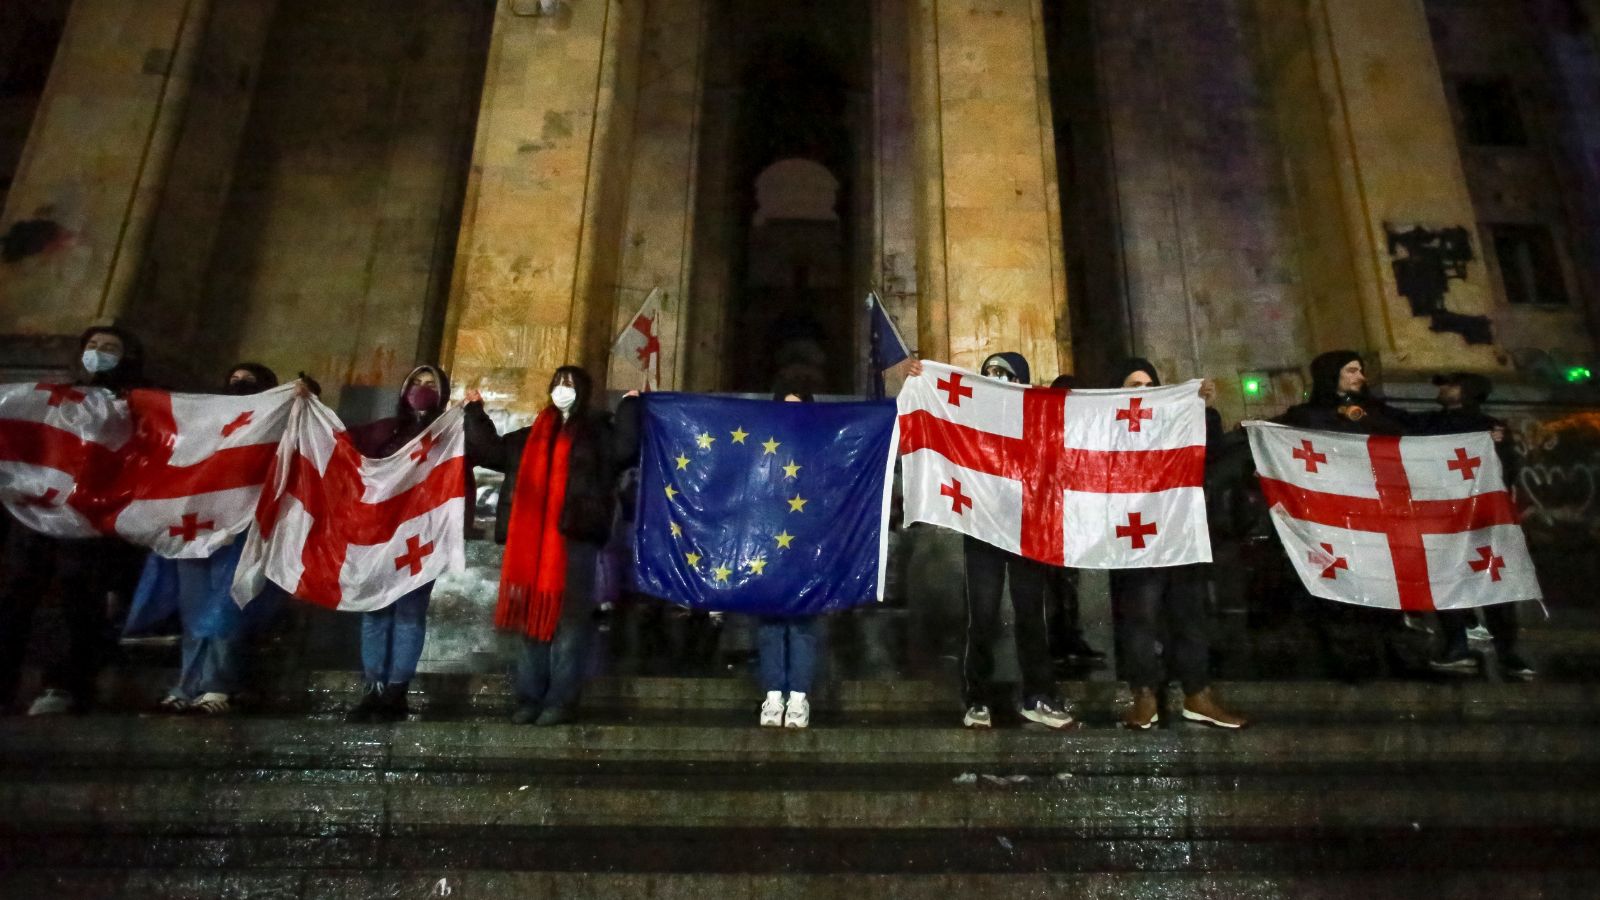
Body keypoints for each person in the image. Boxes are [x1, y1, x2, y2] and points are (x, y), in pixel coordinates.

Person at [905, 353, 1076, 730]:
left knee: (1033, 615)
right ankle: (977, 697)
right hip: (982, 527)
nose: (995, 379)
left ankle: (1037, 696)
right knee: (981, 615)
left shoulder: (1038, 419)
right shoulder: (971, 419)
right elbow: (935, 415)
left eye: (1004, 374)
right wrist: (919, 378)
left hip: (1026, 528)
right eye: (988, 374)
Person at [465, 367, 639, 726]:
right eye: (559, 383)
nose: (563, 390)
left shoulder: (597, 435)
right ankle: (530, 698)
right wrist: (474, 413)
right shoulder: (529, 437)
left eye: (571, 385)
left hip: (574, 538)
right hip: (530, 543)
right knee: (531, 620)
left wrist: (630, 410)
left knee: (570, 624)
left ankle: (560, 700)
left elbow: (625, 449)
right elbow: (489, 451)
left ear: (584, 392)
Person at [0, 325, 150, 715]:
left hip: (87, 521)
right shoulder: (51, 395)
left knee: (79, 601)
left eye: (110, 348)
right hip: (34, 513)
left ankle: (67, 685)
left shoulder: (135, 402)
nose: (99, 353)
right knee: (14, 599)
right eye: (94, 345)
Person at [129, 363, 287, 714]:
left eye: (249, 382)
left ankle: (219, 685)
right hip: (196, 526)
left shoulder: (277, 428)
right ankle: (188, 685)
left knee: (228, 609)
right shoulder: (201, 424)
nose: (239, 384)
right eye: (234, 379)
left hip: (243, 528)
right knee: (195, 611)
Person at [1109, 358, 1245, 730]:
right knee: (1141, 616)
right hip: (1136, 536)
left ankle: (1197, 694)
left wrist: (1199, 406)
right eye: (1132, 385)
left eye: (1148, 384)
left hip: (1180, 532)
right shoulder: (1108, 426)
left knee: (1190, 615)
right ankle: (1145, 696)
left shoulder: (1179, 418)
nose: (1142, 392)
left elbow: (1212, 453)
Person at [1274, 349, 1415, 681]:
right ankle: (1344, 659)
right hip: (1328, 521)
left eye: (1360, 371)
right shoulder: (1305, 416)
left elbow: (1416, 427)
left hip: (1373, 520)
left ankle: (1388, 655)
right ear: (1331, 374)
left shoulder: (1376, 414)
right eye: (1352, 371)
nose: (1360, 378)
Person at [344, 365, 453, 723]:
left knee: (409, 613)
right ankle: (373, 686)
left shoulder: (450, 431)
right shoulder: (383, 430)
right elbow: (338, 444)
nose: (422, 390)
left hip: (422, 535)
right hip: (380, 532)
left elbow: (481, 451)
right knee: (375, 610)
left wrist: (475, 414)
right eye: (416, 383)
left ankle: (396, 690)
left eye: (430, 385)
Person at [1421, 372, 1534, 680]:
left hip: (1482, 519)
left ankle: (1503, 650)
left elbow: (1506, 470)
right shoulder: (1436, 423)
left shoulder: (1489, 428)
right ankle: (1462, 644)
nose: (1443, 389)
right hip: (1448, 518)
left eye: (1451, 384)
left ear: (1468, 391)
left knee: (1493, 582)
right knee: (1451, 580)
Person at [757, 389, 825, 729]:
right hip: (768, 549)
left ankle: (798, 697)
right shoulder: (763, 453)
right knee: (770, 626)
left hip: (805, 551)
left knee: (801, 626)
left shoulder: (817, 451)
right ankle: (773, 695)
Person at [1043, 374, 1104, 667]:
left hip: (1072, 517)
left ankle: (1070, 637)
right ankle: (1056, 640)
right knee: (1054, 585)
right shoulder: (1047, 431)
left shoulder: (1082, 431)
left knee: (1068, 583)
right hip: (1049, 518)